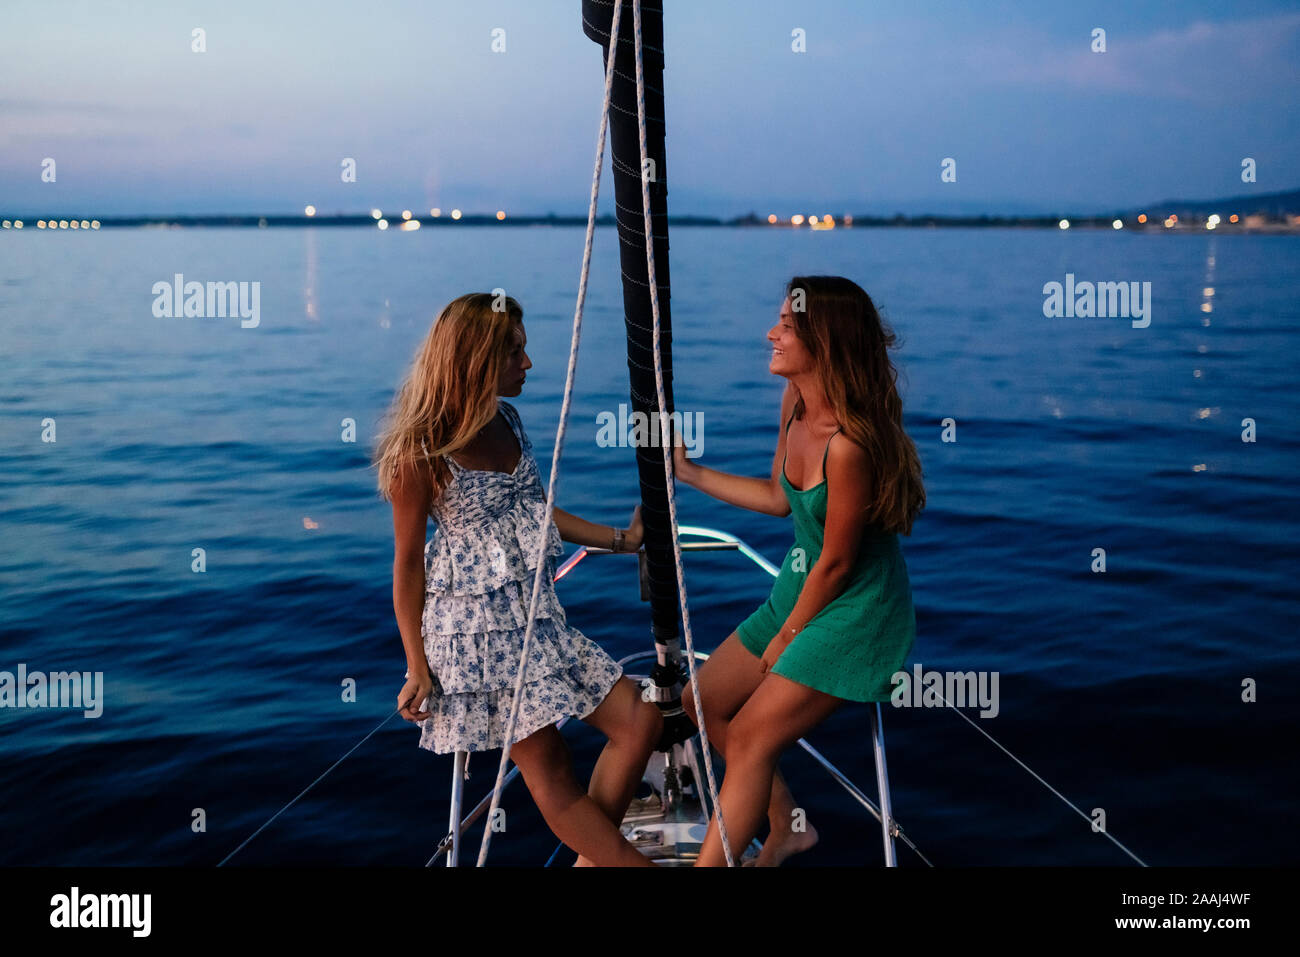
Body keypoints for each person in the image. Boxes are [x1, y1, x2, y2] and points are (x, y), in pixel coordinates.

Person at [373, 292, 662, 867]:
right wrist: (416, 665)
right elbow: (407, 565)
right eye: (515, 353)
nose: (527, 365)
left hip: (537, 618)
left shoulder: (507, 419)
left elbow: (535, 510)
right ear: (478, 359)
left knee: (640, 721)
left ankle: (598, 860)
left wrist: (621, 540)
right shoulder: (420, 452)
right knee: (551, 772)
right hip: (476, 637)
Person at [673, 276, 925, 867]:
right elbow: (779, 497)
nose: (771, 333)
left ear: (825, 341)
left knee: (754, 736)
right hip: (800, 591)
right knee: (698, 701)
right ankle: (786, 825)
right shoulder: (796, 405)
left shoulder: (850, 445)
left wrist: (784, 643)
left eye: (786, 326)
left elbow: (838, 563)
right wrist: (689, 473)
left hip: (855, 611)